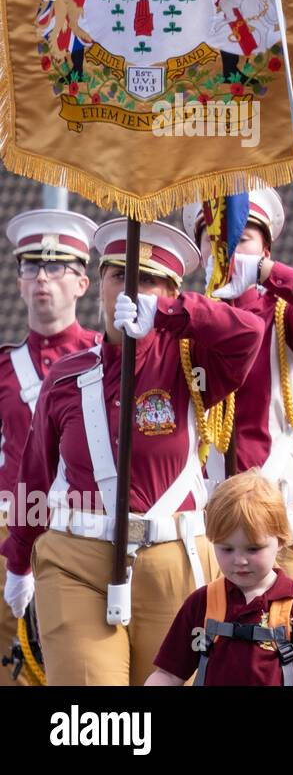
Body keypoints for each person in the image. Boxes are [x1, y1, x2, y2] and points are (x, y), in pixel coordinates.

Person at [1, 219, 264, 686]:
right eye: (120, 275)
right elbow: (35, 475)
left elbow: (249, 333)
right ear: (100, 283)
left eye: (148, 280)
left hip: (171, 560)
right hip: (76, 559)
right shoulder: (65, 376)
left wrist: (170, 313)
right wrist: (19, 560)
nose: (131, 289)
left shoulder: (192, 363)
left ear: (171, 291)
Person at [182, 187, 293, 597]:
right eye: (214, 242)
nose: (227, 252)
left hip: (274, 508)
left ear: (264, 249)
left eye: (241, 240)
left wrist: (267, 274)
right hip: (203, 516)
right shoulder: (184, 322)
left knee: (290, 630)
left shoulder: (283, 317)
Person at [0, 209, 101, 686]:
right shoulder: (4, 368)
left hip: (83, 530)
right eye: (31, 267)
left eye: (56, 266)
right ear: (19, 283)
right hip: (10, 528)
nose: (42, 278)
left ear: (82, 283)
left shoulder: (106, 359)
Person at [148, 471, 293, 686]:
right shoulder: (202, 604)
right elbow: (168, 675)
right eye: (227, 549)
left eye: (253, 549)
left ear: (281, 540)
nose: (239, 560)